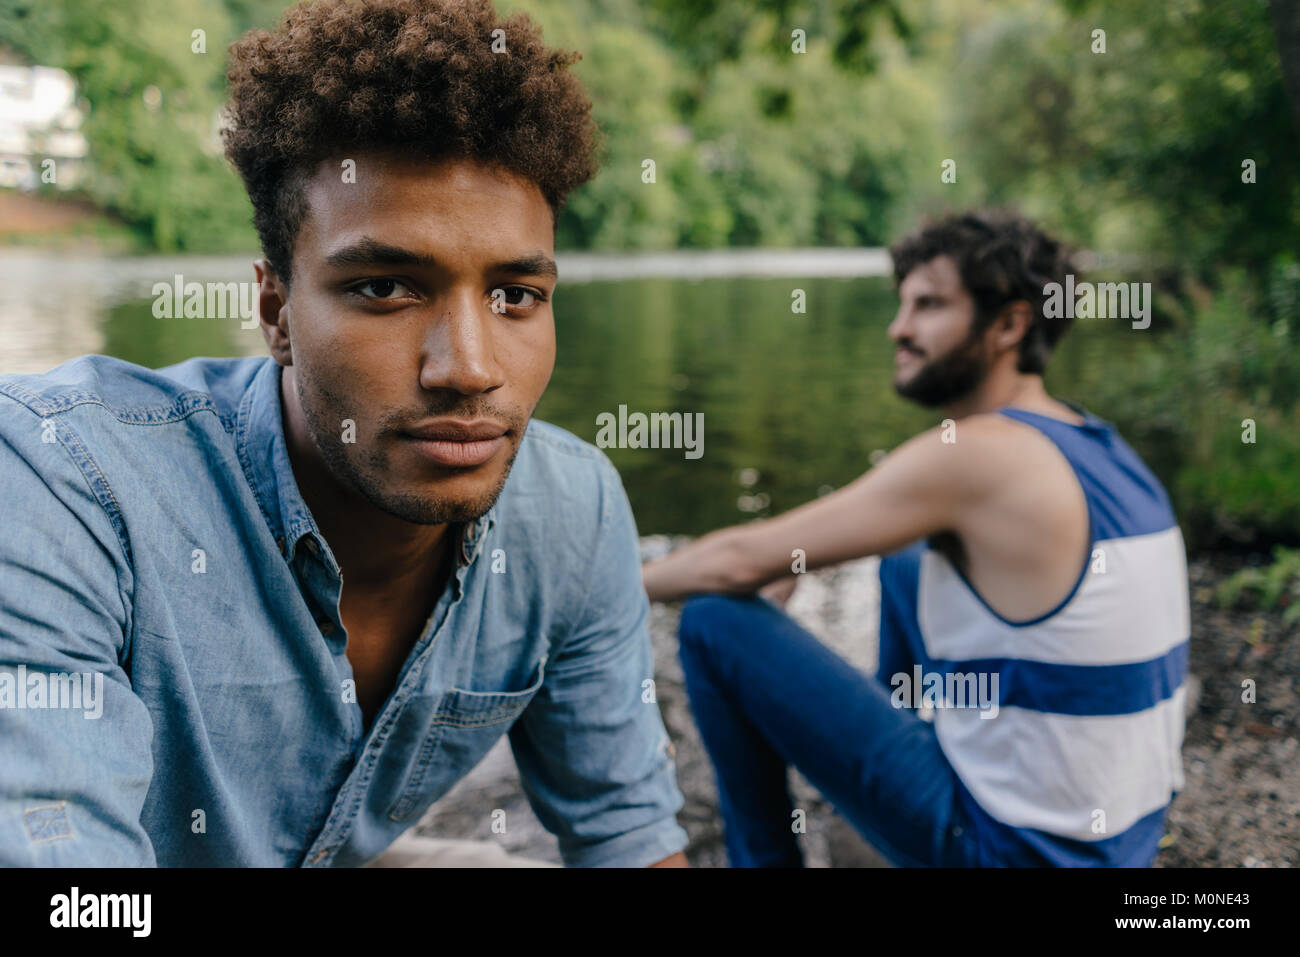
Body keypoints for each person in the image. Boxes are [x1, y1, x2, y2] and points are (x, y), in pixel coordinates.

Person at [0, 0, 688, 868]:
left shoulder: (572, 512)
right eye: (386, 288)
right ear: (275, 309)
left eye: (515, 295)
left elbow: (629, 833)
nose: (469, 369)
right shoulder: (60, 479)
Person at [642, 211, 1189, 867]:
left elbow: (731, 561)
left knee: (714, 621)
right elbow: (852, 522)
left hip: (1017, 853)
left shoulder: (976, 456)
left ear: (1009, 325)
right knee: (903, 557)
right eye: (902, 304)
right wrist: (802, 555)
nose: (898, 329)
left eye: (928, 305)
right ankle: (895, 773)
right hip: (1119, 844)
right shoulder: (1100, 447)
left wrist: (598, 586)